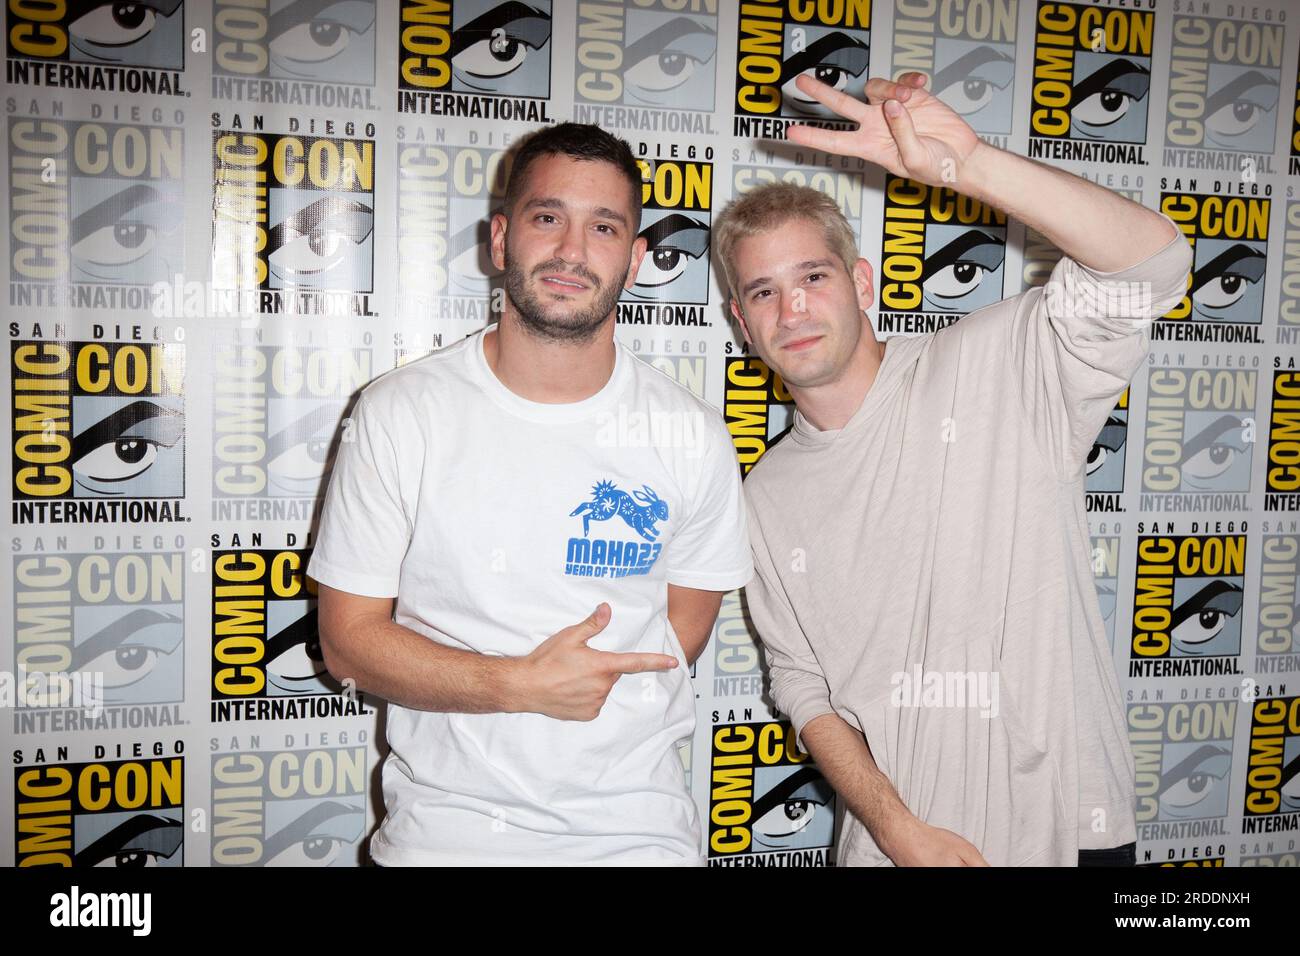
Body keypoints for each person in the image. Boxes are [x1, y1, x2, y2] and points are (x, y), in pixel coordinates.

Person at [715, 72, 1193, 866]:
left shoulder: (992, 364)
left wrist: (970, 166)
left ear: (861, 282)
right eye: (763, 292)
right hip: (893, 851)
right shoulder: (763, 496)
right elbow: (803, 688)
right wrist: (897, 829)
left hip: (1062, 837)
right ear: (742, 322)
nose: (791, 310)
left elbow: (1151, 266)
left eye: (812, 277)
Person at [307, 123, 752, 866]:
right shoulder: (398, 413)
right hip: (446, 838)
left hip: (636, 838)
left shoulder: (693, 435)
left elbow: (681, 630)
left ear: (636, 259)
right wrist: (519, 686)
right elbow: (347, 643)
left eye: (603, 227)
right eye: (549, 218)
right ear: (502, 239)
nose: (573, 251)